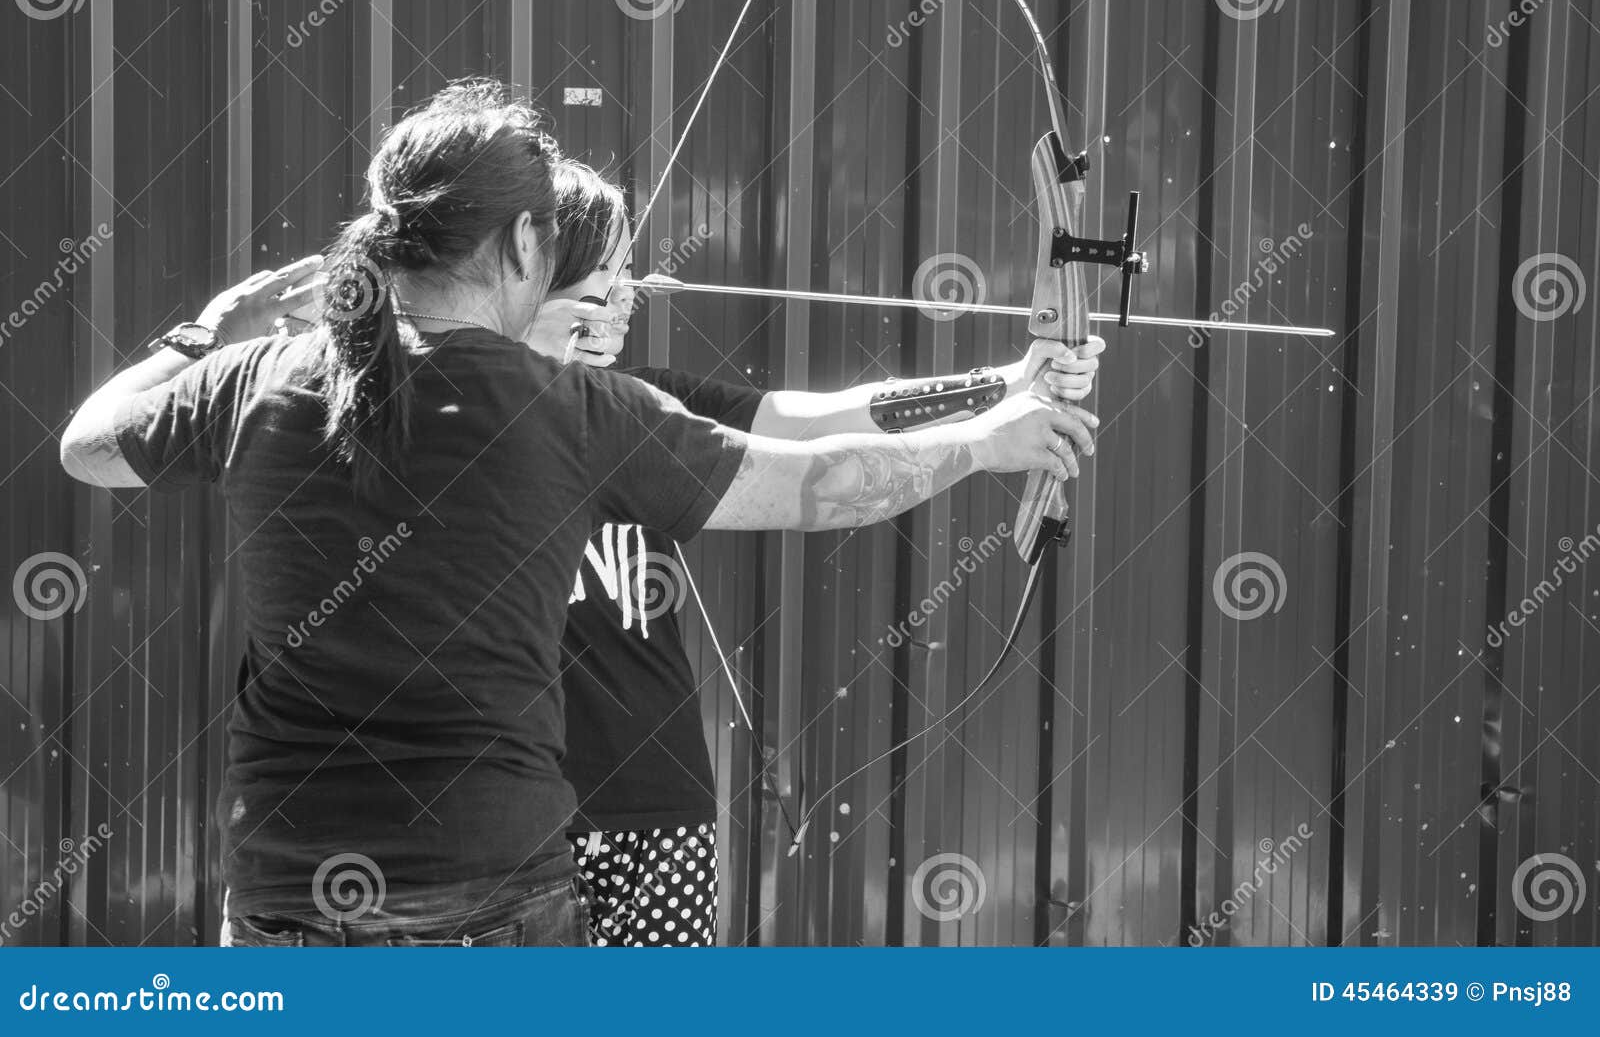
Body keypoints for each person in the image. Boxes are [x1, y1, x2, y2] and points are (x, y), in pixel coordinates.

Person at [57, 80, 1098, 947]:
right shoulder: (571, 410)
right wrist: (983, 443)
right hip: (488, 890)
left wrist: (210, 330)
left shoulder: (254, 377)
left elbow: (89, 445)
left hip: (285, 894)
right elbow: (821, 483)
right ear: (520, 245)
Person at [521, 158, 1105, 946]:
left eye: (629, 283)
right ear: (528, 276)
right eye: (601, 287)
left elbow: (812, 420)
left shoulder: (640, 407)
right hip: (511, 826)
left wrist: (1004, 385)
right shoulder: (452, 414)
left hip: (654, 814)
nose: (623, 308)